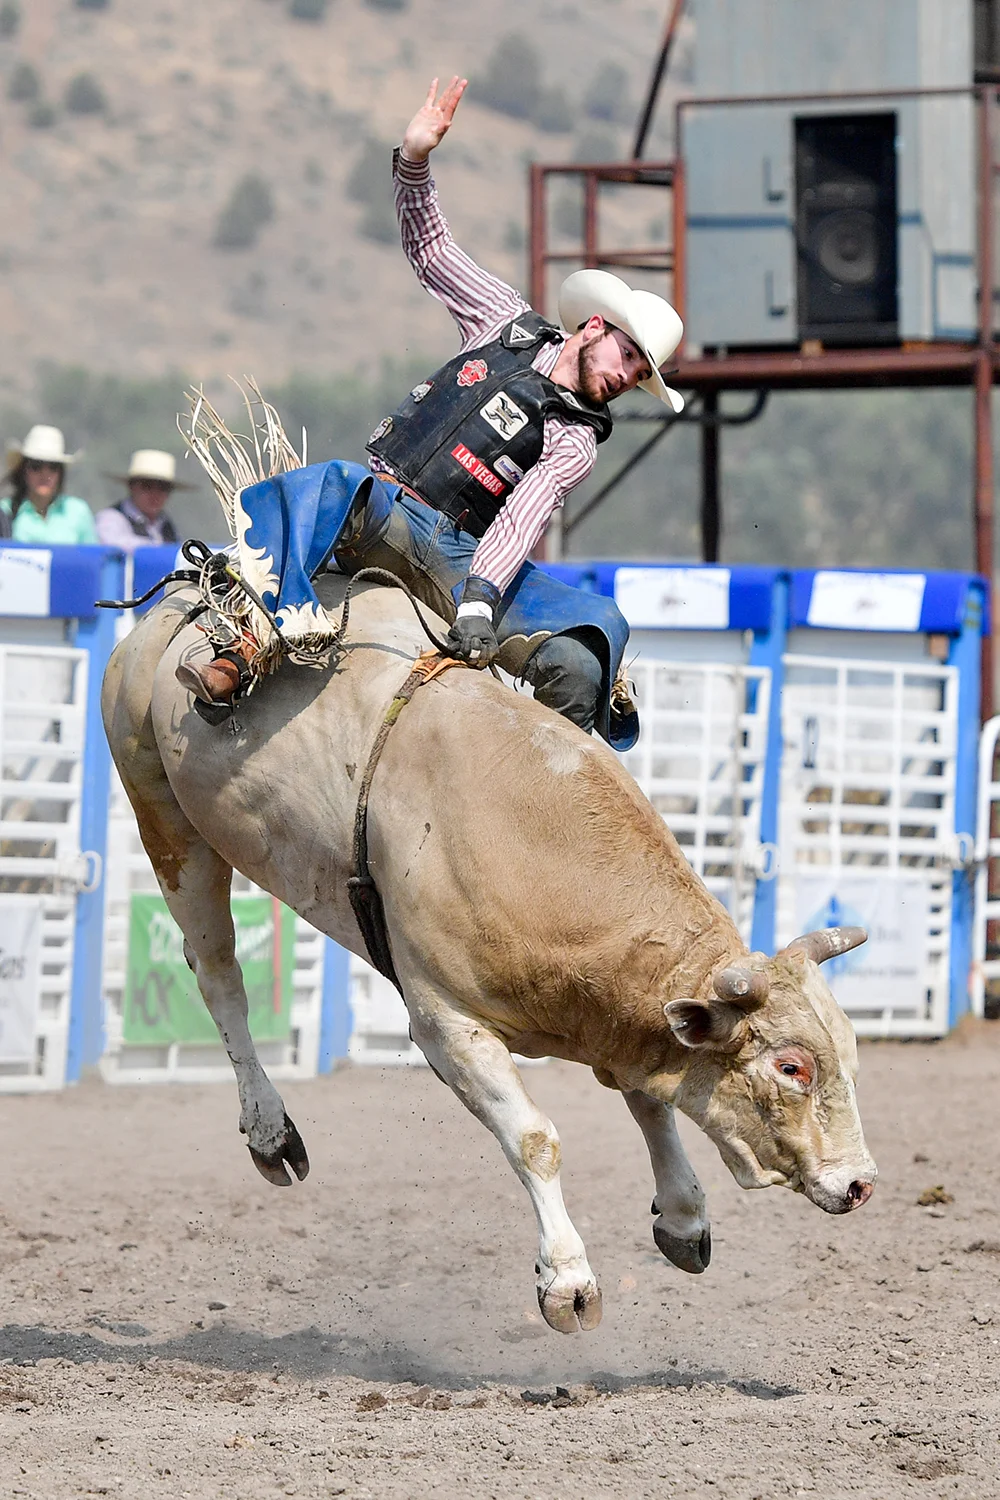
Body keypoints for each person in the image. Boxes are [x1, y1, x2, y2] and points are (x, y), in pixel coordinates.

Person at [178, 76, 684, 748]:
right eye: (627, 356)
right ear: (594, 326)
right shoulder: (504, 320)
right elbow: (432, 251)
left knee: (583, 649)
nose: (625, 377)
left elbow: (523, 515)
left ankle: (540, 792)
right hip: (381, 505)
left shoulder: (576, 439)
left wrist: (478, 599)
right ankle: (244, 652)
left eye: (640, 374)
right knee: (327, 485)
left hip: (461, 552)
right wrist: (414, 160)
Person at [3, 424, 97, 544]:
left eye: (53, 467)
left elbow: (92, 559)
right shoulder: (4, 511)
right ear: (23, 470)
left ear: (60, 472)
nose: (44, 475)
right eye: (36, 466)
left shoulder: (78, 512)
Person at [96, 449, 189, 553]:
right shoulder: (111, 518)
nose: (155, 494)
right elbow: (113, 548)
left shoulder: (166, 525)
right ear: (131, 487)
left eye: (163, 488)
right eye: (147, 486)